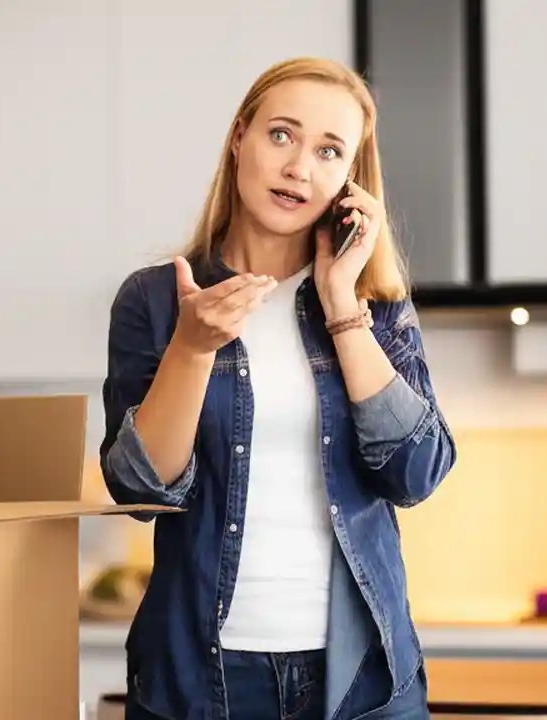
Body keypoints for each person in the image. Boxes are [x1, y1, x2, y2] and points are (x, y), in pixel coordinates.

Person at [99, 56, 457, 720]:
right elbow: (141, 491)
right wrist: (191, 346)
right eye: (282, 135)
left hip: (361, 679)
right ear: (240, 136)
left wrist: (340, 300)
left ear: (350, 181)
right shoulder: (154, 300)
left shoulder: (375, 307)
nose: (300, 168)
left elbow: (416, 472)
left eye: (329, 151)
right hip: (197, 680)